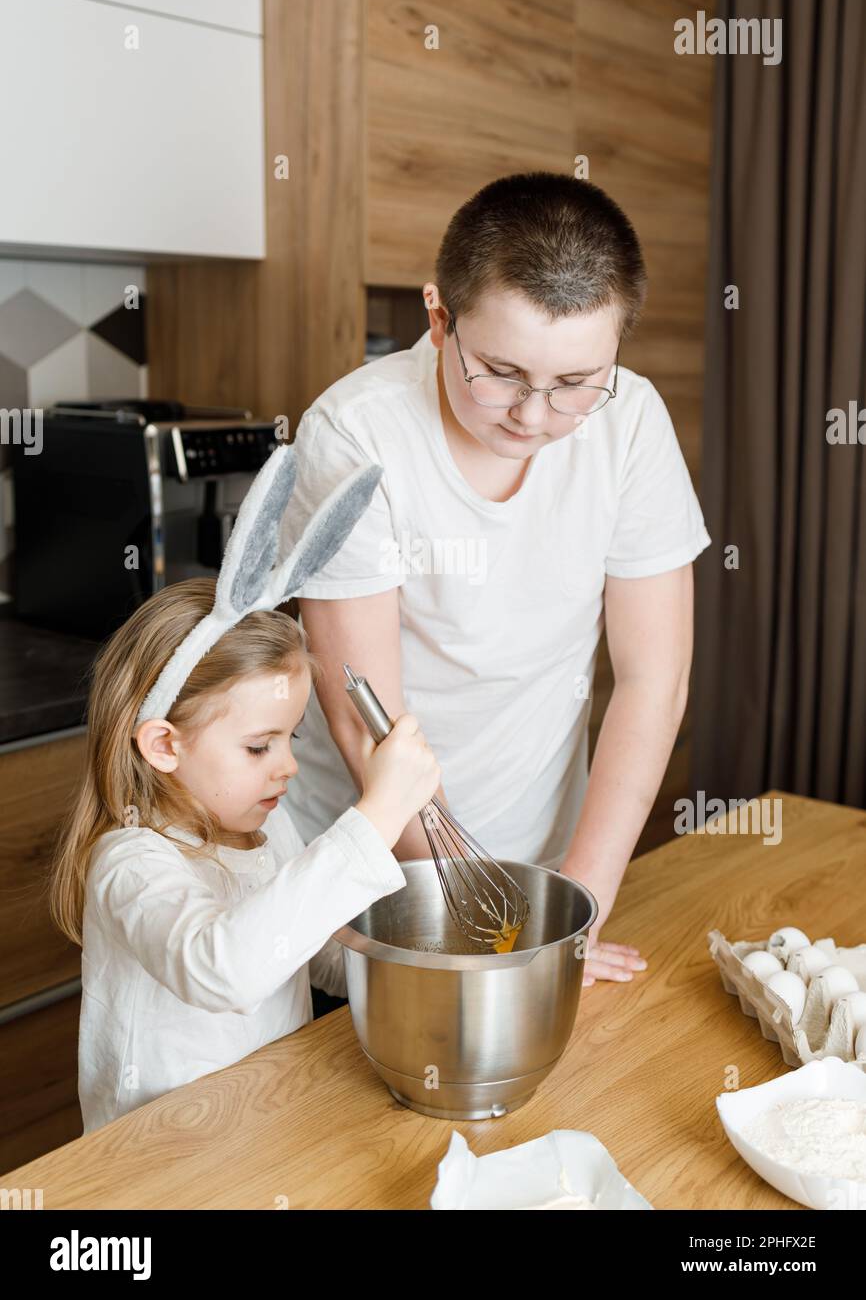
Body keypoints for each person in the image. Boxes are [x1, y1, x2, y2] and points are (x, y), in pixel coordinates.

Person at [279, 172, 711, 987]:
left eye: (576, 383)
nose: (535, 415)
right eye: (504, 373)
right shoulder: (355, 433)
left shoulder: (631, 422)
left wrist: (571, 911)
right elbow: (363, 721)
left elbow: (655, 681)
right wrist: (474, 920)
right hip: (367, 879)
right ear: (439, 317)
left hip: (536, 868)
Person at [50, 448, 439, 1132]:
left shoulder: (264, 831)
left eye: (291, 738)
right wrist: (374, 816)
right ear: (164, 744)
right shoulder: (131, 864)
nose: (285, 766)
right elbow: (222, 971)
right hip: (155, 1167)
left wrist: (431, 977)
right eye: (260, 746)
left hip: (263, 1122)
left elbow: (311, 954)